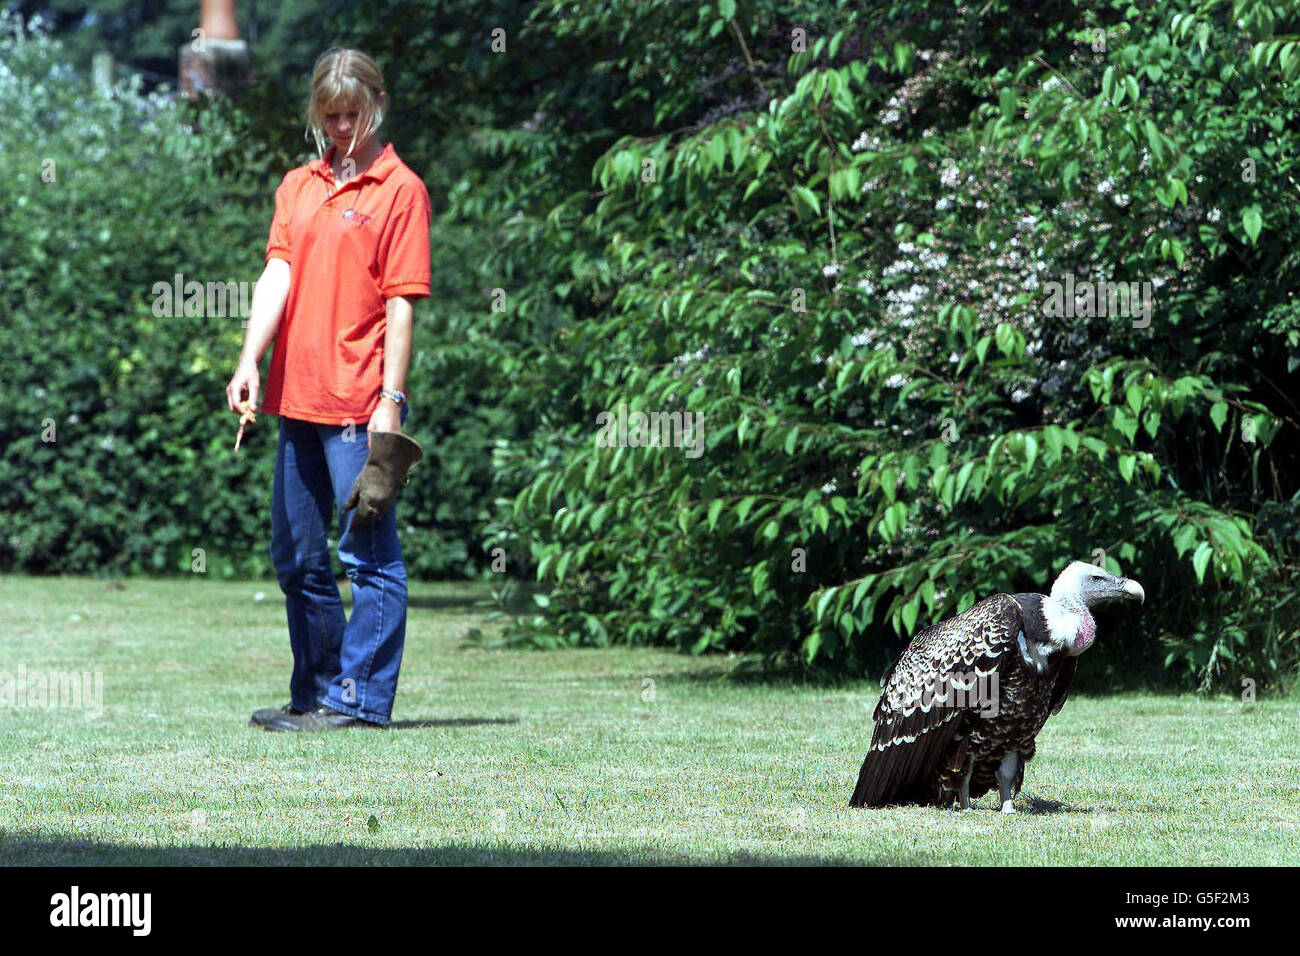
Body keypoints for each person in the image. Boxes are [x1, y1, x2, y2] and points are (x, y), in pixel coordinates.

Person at [224, 48, 431, 731]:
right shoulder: (299, 185)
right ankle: (316, 692)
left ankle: (362, 702)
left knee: (367, 557)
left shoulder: (400, 189)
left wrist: (390, 406)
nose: (342, 127)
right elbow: (277, 275)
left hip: (356, 405)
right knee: (298, 559)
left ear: (378, 104)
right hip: (296, 398)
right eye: (331, 115)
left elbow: (401, 304)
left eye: (354, 114)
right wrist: (250, 359)